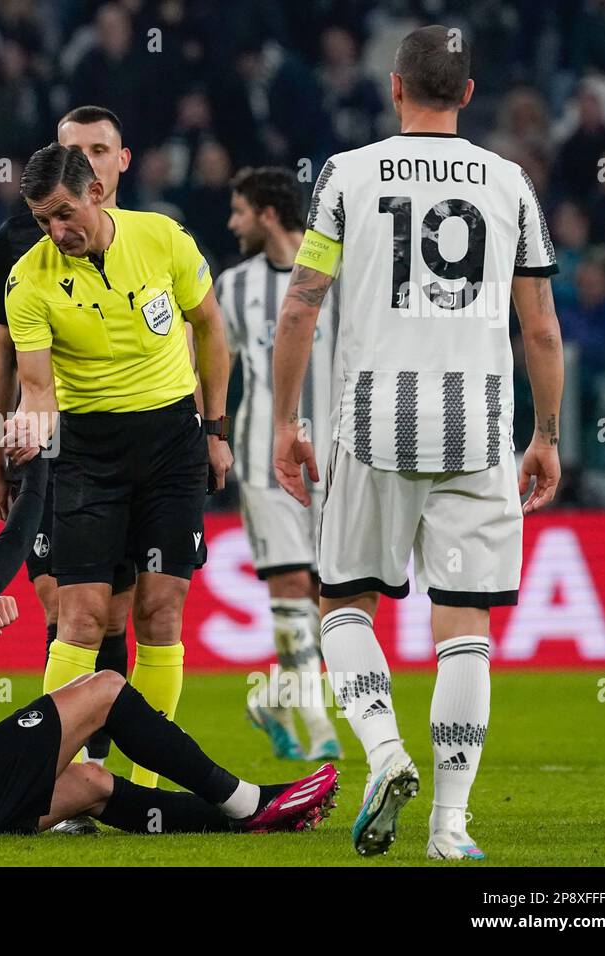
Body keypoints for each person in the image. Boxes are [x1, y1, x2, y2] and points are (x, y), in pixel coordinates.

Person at [270, 25, 563, 860]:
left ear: (394, 87)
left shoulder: (348, 175)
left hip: (373, 421)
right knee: (464, 623)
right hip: (479, 426)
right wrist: (544, 435)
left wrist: (287, 422)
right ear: (468, 94)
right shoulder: (509, 182)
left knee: (344, 602)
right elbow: (540, 329)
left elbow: (301, 306)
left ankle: (386, 753)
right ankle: (451, 827)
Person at [0, 453, 339, 836]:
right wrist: (39, 464)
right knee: (105, 687)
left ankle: (254, 824)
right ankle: (248, 801)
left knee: (90, 783)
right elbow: (15, 540)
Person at [5, 143, 232, 790]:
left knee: (161, 612)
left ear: (98, 193)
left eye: (64, 213)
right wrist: (29, 433)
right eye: (42, 219)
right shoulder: (30, 280)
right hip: (88, 454)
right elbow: (39, 389)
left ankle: (146, 790)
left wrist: (214, 428)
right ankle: (57, 781)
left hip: (170, 448)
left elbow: (212, 327)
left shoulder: (162, 238)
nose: (56, 231)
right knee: (79, 618)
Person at [0, 106, 136, 795]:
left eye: (100, 150)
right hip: (50, 445)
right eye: (75, 150)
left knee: (112, 616)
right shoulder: (19, 237)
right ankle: (64, 771)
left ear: (118, 163)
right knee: (63, 607)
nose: (89, 161)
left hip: (132, 448)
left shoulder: (149, 238)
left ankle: (100, 768)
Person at [216, 167, 341, 762]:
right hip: (265, 461)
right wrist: (207, 434)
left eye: (239, 211)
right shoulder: (232, 286)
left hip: (336, 458)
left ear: (267, 213)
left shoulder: (333, 275)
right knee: (292, 583)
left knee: (329, 593)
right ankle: (317, 726)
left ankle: (274, 695)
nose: (232, 222)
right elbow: (211, 371)